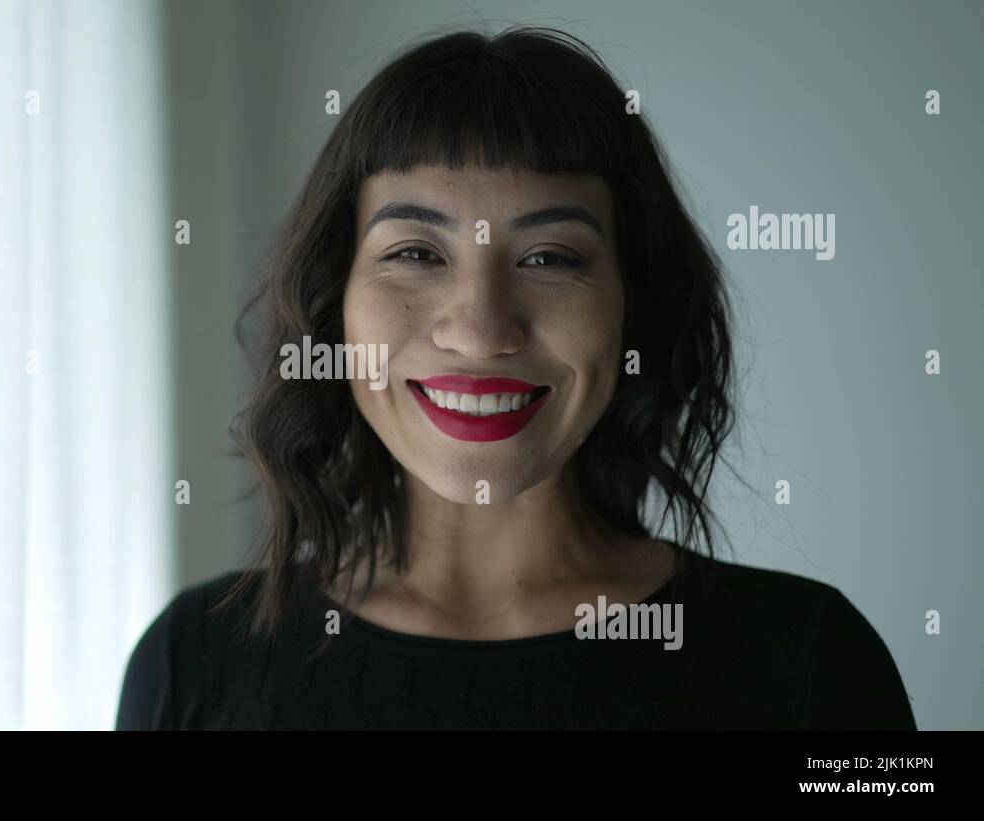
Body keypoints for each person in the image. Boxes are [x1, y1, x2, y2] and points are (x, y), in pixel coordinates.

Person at [116, 26, 915, 730]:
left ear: (634, 306)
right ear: (336, 308)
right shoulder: (193, 661)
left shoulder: (813, 661)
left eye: (550, 258)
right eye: (417, 253)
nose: (481, 328)